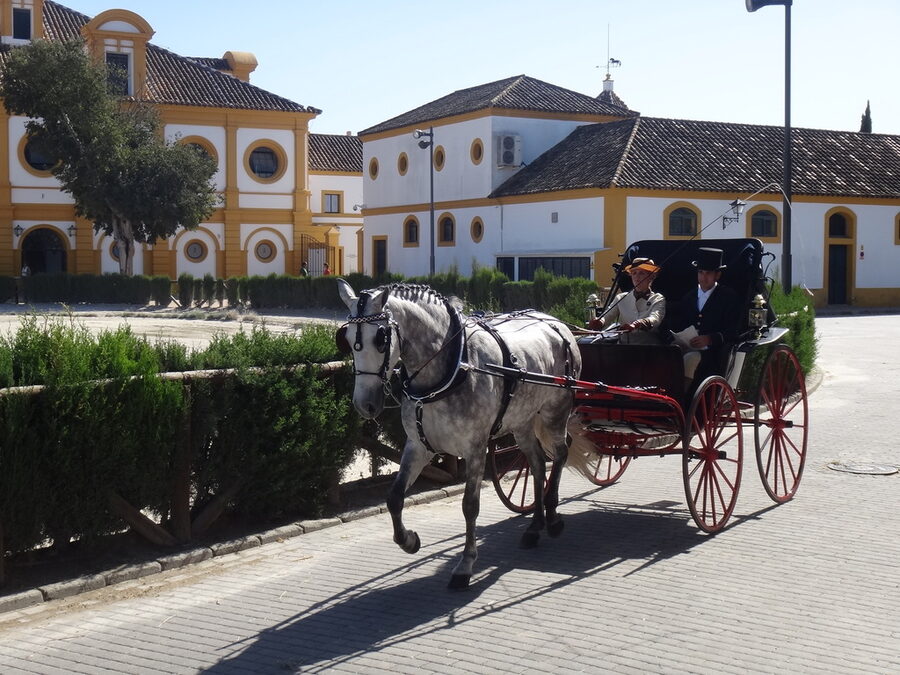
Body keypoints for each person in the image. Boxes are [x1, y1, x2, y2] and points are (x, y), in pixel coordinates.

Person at [670, 247, 740, 391]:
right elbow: (681, 323)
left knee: (690, 359)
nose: (704, 277)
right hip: (687, 348)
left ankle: (683, 397)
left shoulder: (728, 297)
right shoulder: (689, 297)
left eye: (708, 273)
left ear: (717, 275)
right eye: (701, 272)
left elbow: (734, 330)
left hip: (713, 354)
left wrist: (710, 339)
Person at [589, 258, 666, 345]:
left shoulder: (658, 299)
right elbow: (608, 316)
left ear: (651, 277)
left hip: (649, 349)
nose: (637, 277)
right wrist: (599, 322)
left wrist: (637, 324)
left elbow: (655, 318)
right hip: (623, 348)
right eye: (634, 273)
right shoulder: (621, 298)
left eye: (641, 273)